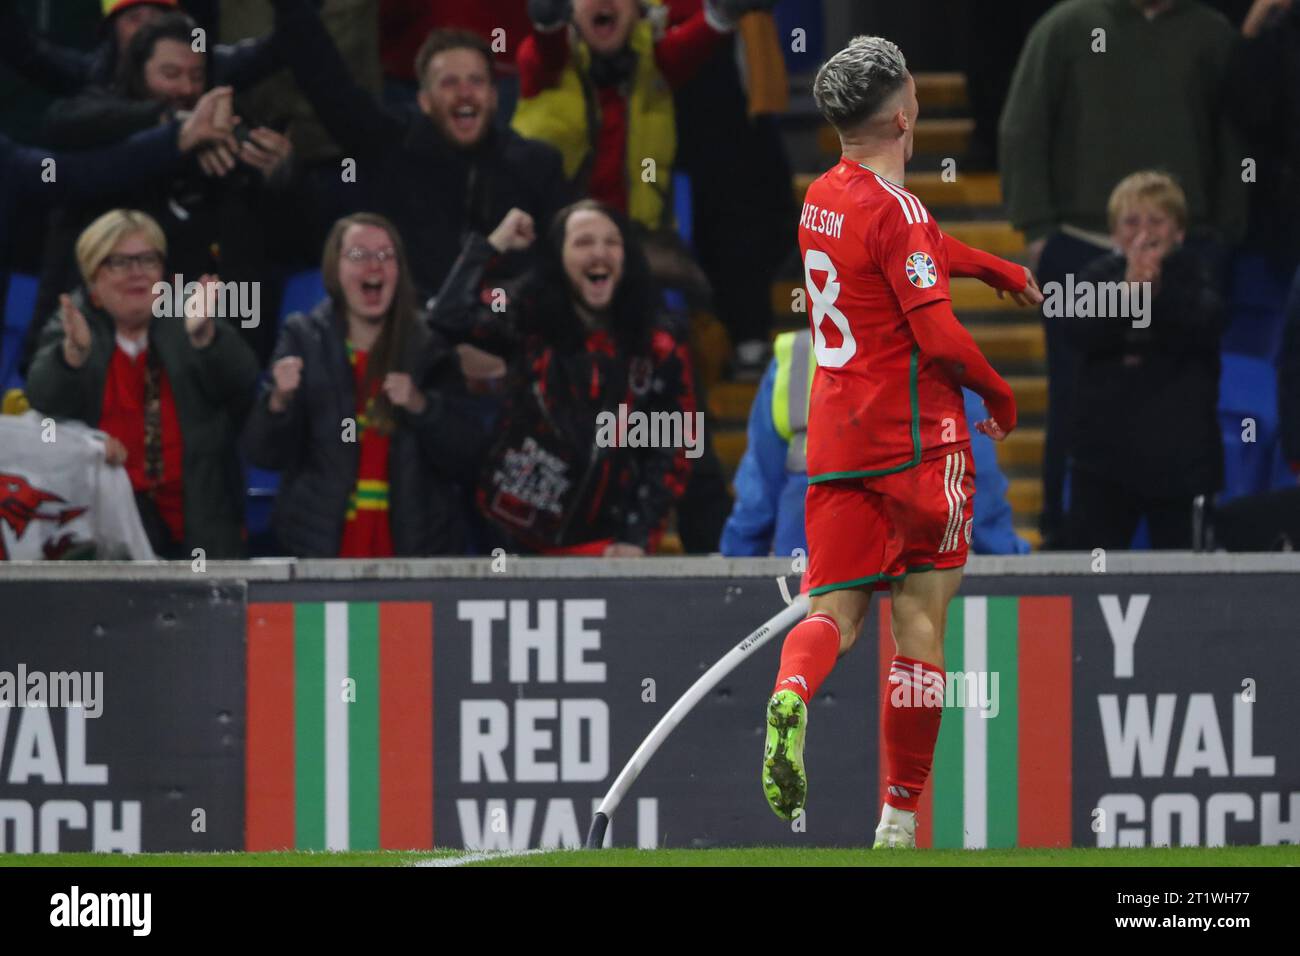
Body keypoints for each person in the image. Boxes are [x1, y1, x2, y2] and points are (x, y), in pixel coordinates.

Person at [760, 37, 1043, 848]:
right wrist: (997, 391)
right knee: (918, 623)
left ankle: (791, 694)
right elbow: (940, 335)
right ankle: (897, 818)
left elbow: (904, 253)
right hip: (918, 443)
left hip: (839, 446)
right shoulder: (900, 208)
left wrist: (983, 262)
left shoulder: (823, 195)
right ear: (904, 112)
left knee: (834, 614)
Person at [999, 0, 1246, 549]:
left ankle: (1183, 529)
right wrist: (1037, 230)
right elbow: (1024, 125)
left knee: (1185, 385)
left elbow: (1234, 135)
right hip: (1076, 242)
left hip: (1195, 246)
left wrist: (1225, 230)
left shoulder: (1210, 34)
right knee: (1071, 394)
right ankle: (1062, 535)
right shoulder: (1065, 26)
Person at [23, 11, 295, 369]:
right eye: (170, 74)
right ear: (139, 73)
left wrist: (280, 175)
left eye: (196, 76)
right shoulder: (96, 127)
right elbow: (63, 126)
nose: (185, 88)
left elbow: (273, 254)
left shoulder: (227, 145)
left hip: (196, 374)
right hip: (88, 368)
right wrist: (174, 132)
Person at [431, 200, 696, 555]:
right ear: (559, 256)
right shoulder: (526, 311)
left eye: (611, 242)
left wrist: (636, 538)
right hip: (502, 535)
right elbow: (449, 315)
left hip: (601, 548)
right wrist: (493, 244)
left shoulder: (658, 343)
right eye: (583, 242)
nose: (599, 253)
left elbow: (672, 448)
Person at [267, 0, 573, 298]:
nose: (464, 93)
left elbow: (559, 266)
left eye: (476, 81)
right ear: (424, 101)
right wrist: (291, 7)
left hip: (505, 331)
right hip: (410, 335)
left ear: (494, 97)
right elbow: (327, 84)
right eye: (449, 83)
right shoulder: (390, 146)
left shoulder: (536, 165)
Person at [241, 213, 483, 557]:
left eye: (386, 255)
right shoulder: (303, 339)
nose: (374, 265)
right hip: (320, 550)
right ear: (334, 270)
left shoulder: (430, 347)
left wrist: (421, 407)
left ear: (399, 271)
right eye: (358, 255)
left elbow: (467, 455)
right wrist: (278, 401)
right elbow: (264, 454)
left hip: (416, 554)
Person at [24, 209, 260, 559]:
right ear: (93, 279)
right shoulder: (74, 323)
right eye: (119, 262)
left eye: (148, 260)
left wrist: (207, 338)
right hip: (103, 525)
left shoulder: (189, 315)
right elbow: (44, 403)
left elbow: (245, 386)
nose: (137, 273)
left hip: (199, 520)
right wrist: (72, 355)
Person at [720, 329, 1031, 558]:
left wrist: (736, 576)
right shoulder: (943, 354)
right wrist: (1006, 558)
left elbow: (757, 499)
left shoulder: (801, 355)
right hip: (910, 585)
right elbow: (974, 487)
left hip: (811, 586)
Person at [1065, 172, 1225, 549]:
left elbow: (1208, 322)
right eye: (1132, 222)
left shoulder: (1199, 275)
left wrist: (1156, 294)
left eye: (1156, 221)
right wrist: (1128, 295)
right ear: (1115, 234)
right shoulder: (1093, 278)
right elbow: (1078, 333)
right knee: (1092, 580)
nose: (1144, 233)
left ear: (1179, 232)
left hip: (1182, 467)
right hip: (1103, 468)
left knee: (1188, 585)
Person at [0, 0, 279, 98]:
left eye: (156, 18)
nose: (146, 29)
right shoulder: (91, 77)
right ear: (112, 30)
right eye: (134, 19)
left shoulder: (209, 68)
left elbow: (283, 46)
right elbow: (24, 51)